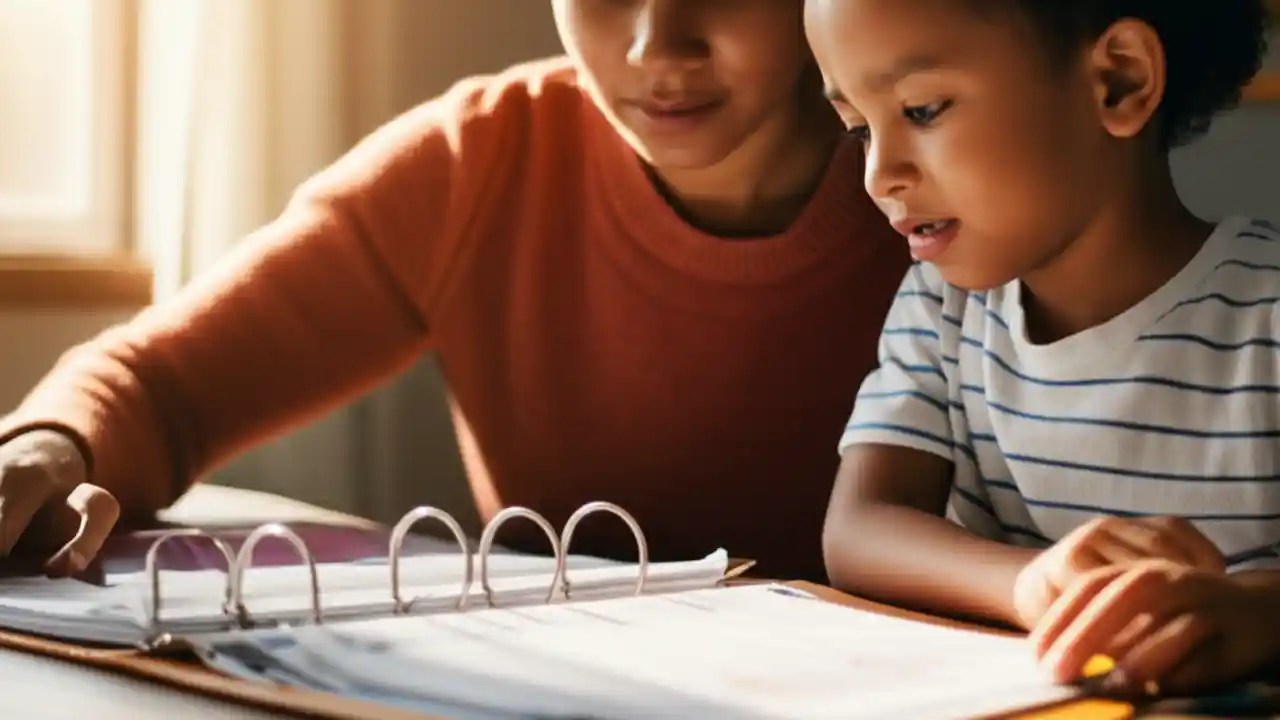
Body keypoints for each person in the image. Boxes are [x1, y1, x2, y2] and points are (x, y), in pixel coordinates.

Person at [0, 1, 907, 582]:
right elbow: (160, 384)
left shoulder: (944, 188)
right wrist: (52, 445)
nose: (655, 46)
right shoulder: (484, 162)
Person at [807, 0, 1277, 695]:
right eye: (858, 128)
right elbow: (858, 529)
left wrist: (1259, 614)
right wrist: (1031, 582)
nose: (879, 174)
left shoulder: (1266, 314)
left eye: (923, 110)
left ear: (1117, 82)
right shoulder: (942, 308)